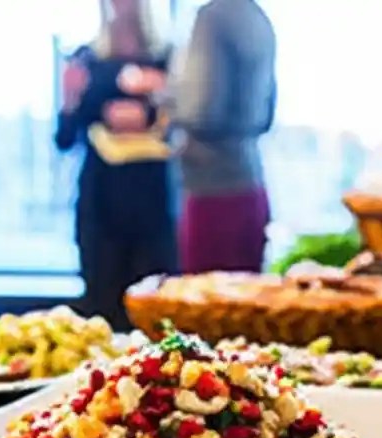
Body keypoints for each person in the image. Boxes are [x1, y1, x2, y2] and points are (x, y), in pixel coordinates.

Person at [55, 0, 179, 331]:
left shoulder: (168, 58)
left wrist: (158, 103)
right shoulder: (86, 58)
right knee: (102, 298)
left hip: (152, 196)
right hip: (102, 198)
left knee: (154, 300)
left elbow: (191, 125)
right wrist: (69, 101)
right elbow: (64, 139)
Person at [170, 0, 277, 274]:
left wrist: (163, 101)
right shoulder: (259, 17)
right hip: (250, 181)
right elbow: (267, 113)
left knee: (200, 306)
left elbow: (202, 110)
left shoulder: (212, 17)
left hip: (211, 186)